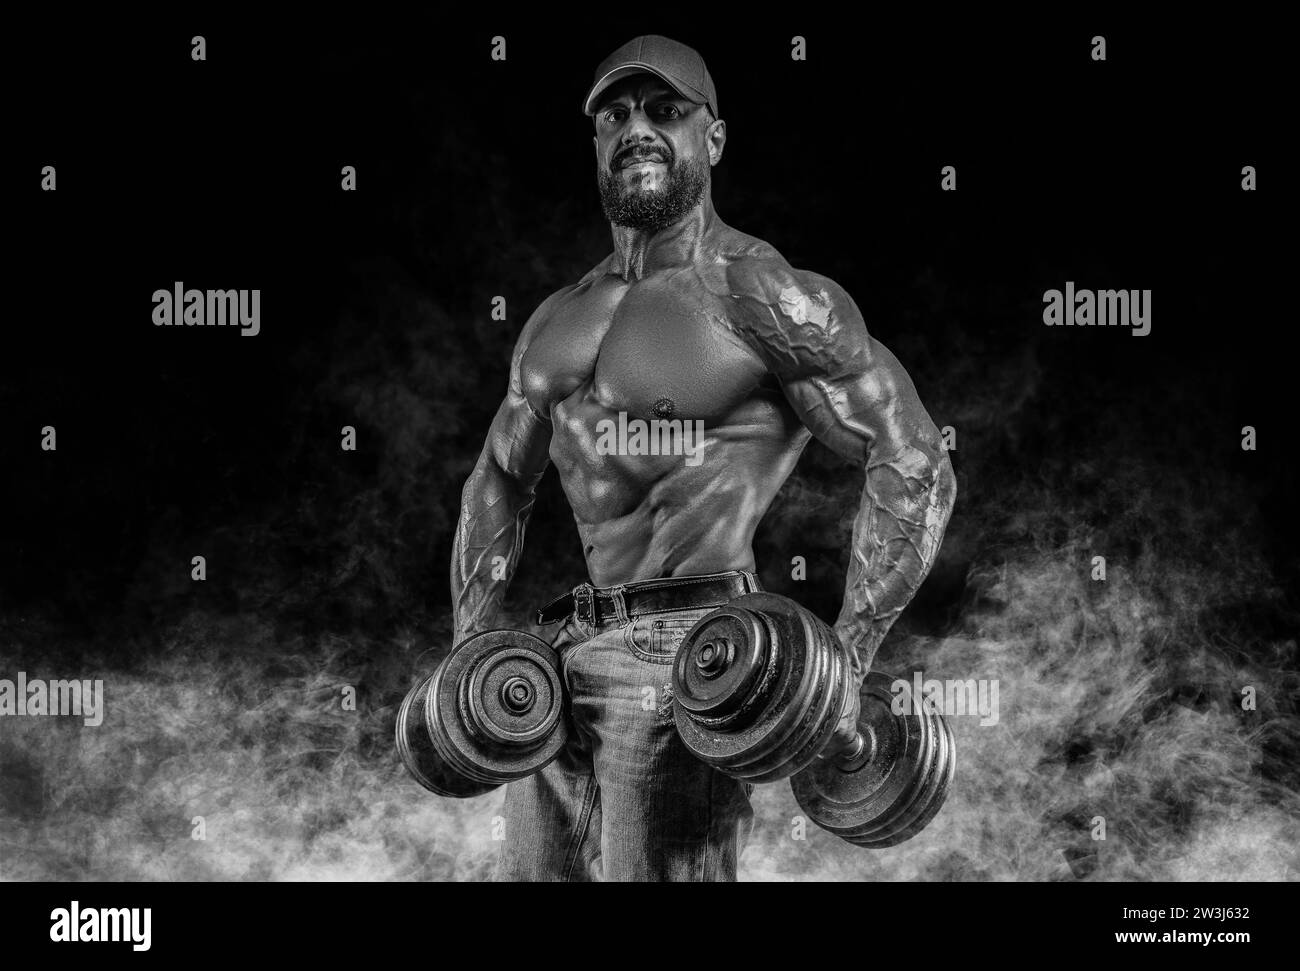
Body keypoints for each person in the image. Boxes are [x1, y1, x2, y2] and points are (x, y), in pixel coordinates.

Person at [451, 34, 956, 880]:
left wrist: (848, 659)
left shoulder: (760, 292)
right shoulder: (557, 317)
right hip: (557, 660)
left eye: (665, 110)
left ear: (711, 140)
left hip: (692, 659)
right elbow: (501, 474)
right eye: (615, 114)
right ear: (597, 144)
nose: (636, 128)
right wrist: (474, 646)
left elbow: (911, 458)